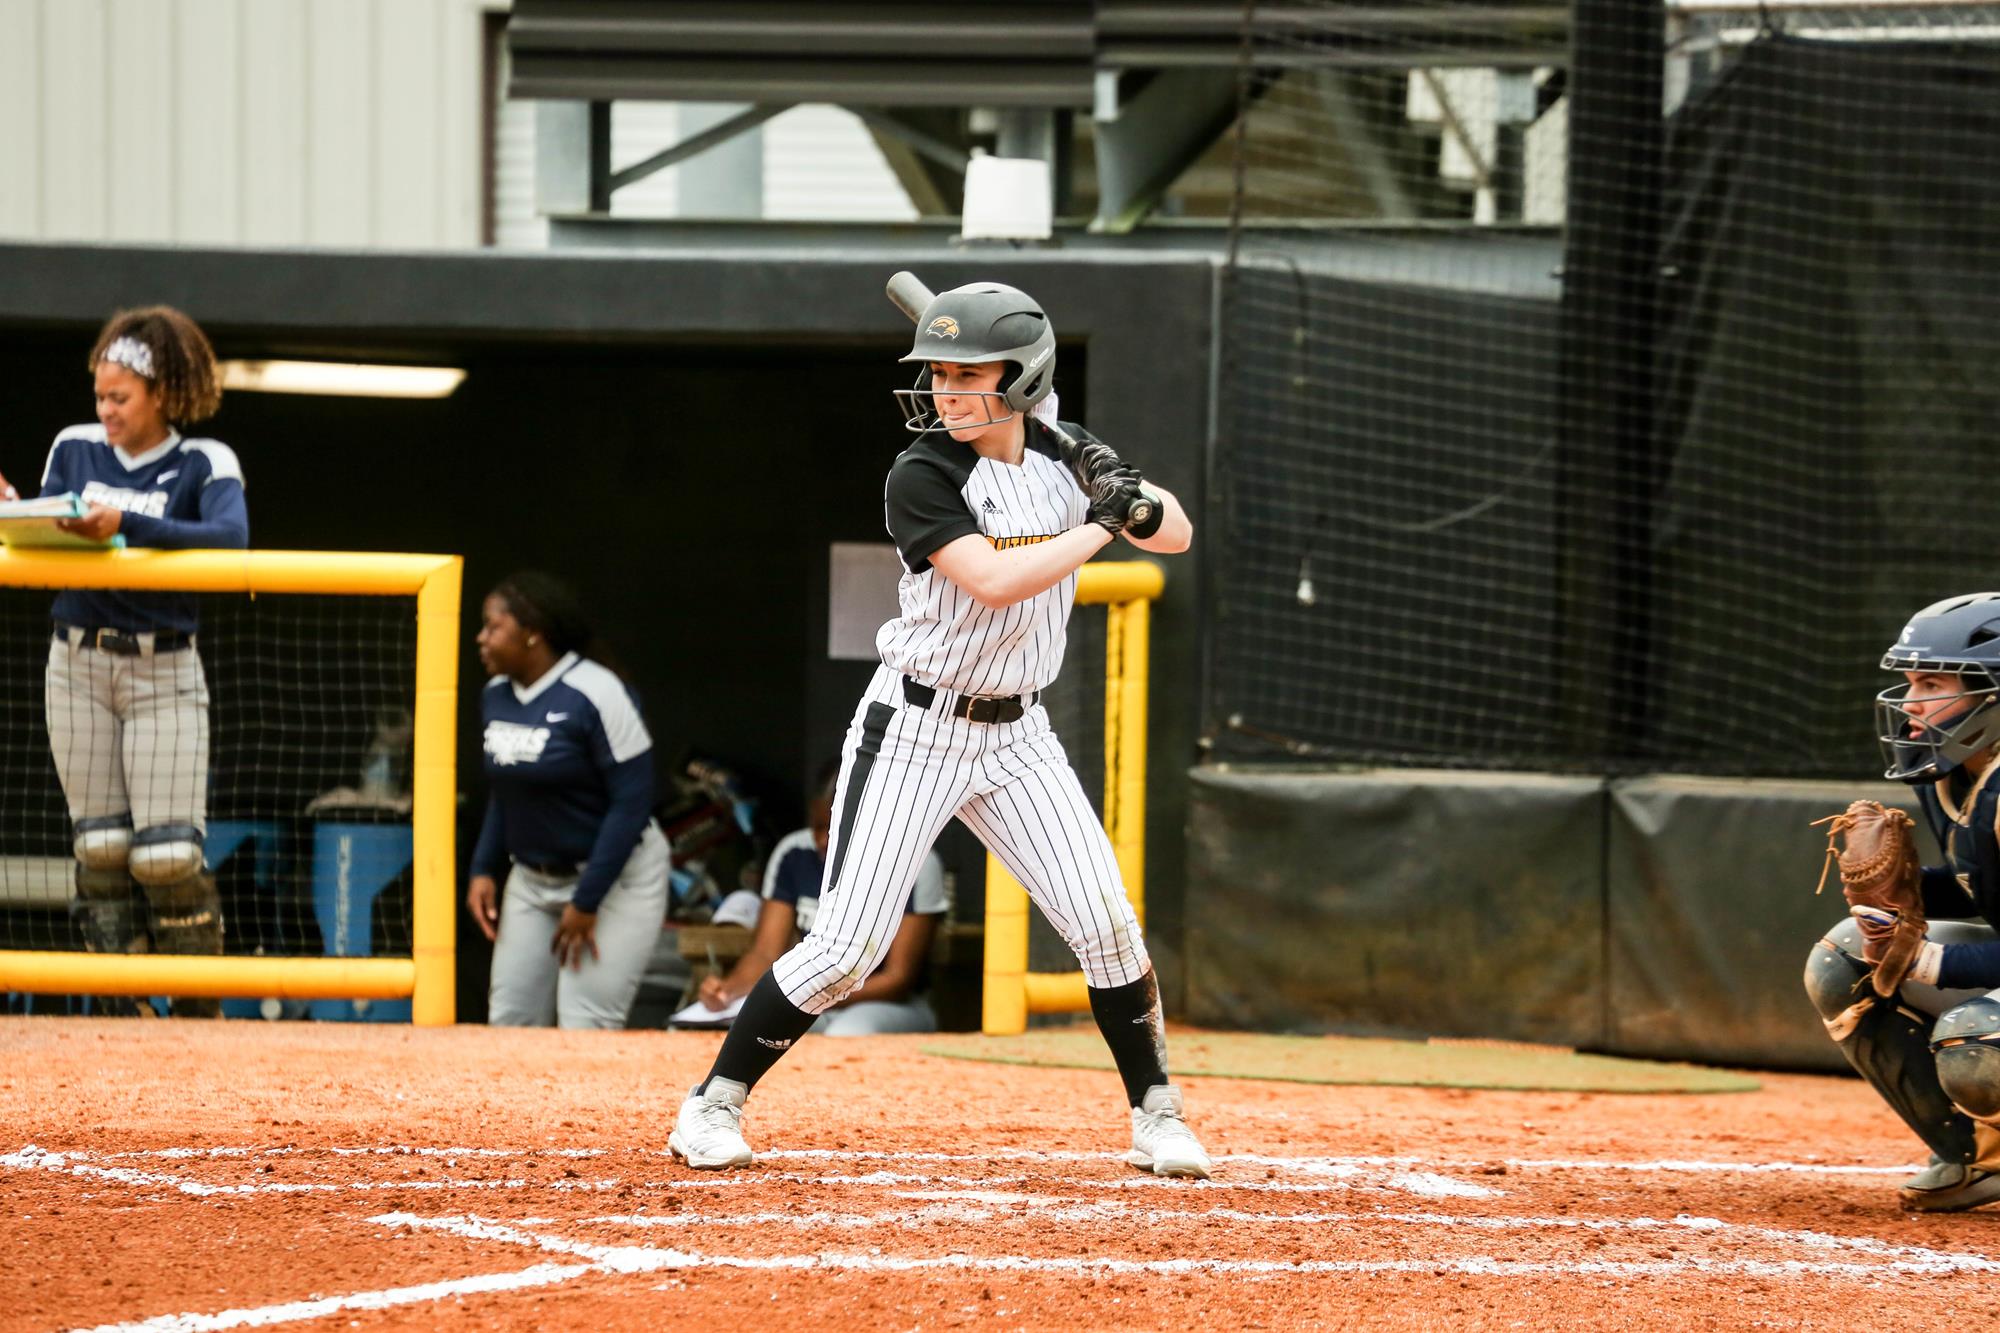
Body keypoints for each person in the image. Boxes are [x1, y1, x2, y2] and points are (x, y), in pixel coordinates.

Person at [669, 278, 1211, 1177]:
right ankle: (711, 1105)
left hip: (1019, 735)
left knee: (1107, 922)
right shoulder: (922, 471)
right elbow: (994, 580)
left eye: (970, 373)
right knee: (845, 947)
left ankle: (1157, 1113)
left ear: (1025, 376)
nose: (949, 391)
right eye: (940, 372)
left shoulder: (1063, 456)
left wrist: (1122, 488)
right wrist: (1101, 526)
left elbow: (1179, 535)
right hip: (914, 726)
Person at [39, 306, 246, 1018]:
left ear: (162, 394)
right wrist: (17, 513)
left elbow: (228, 540)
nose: (106, 410)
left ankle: (197, 1002)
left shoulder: (205, 461)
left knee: (164, 854)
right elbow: (45, 531)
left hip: (164, 668)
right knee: (99, 847)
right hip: (78, 661)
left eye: (121, 397)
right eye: (100, 395)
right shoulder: (73, 446)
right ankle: (122, 1009)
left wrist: (125, 522)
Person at [1806, 592, 2000, 1212]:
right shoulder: (1955, 770)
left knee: (1980, 1034)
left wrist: (1930, 964)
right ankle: (1978, 1158)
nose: (1911, 704)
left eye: (1932, 682)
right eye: (1910, 680)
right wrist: (1907, 892)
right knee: (1843, 958)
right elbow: (1985, 882)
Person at [466, 571, 669, 1029]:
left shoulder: (598, 691)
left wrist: (587, 900)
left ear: (532, 633)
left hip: (617, 879)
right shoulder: (495, 695)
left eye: (493, 626)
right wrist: (482, 866)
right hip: (534, 880)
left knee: (586, 1024)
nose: (482, 638)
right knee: (510, 1020)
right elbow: (510, 788)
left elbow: (632, 804)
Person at [695, 761, 947, 1035]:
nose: (823, 840)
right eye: (817, 827)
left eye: (834, 828)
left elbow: (897, 980)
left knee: (848, 1032)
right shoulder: (795, 853)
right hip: (813, 1001)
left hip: (890, 1006)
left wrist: (805, 998)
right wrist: (726, 991)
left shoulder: (915, 860)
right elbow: (765, 953)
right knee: (756, 1029)